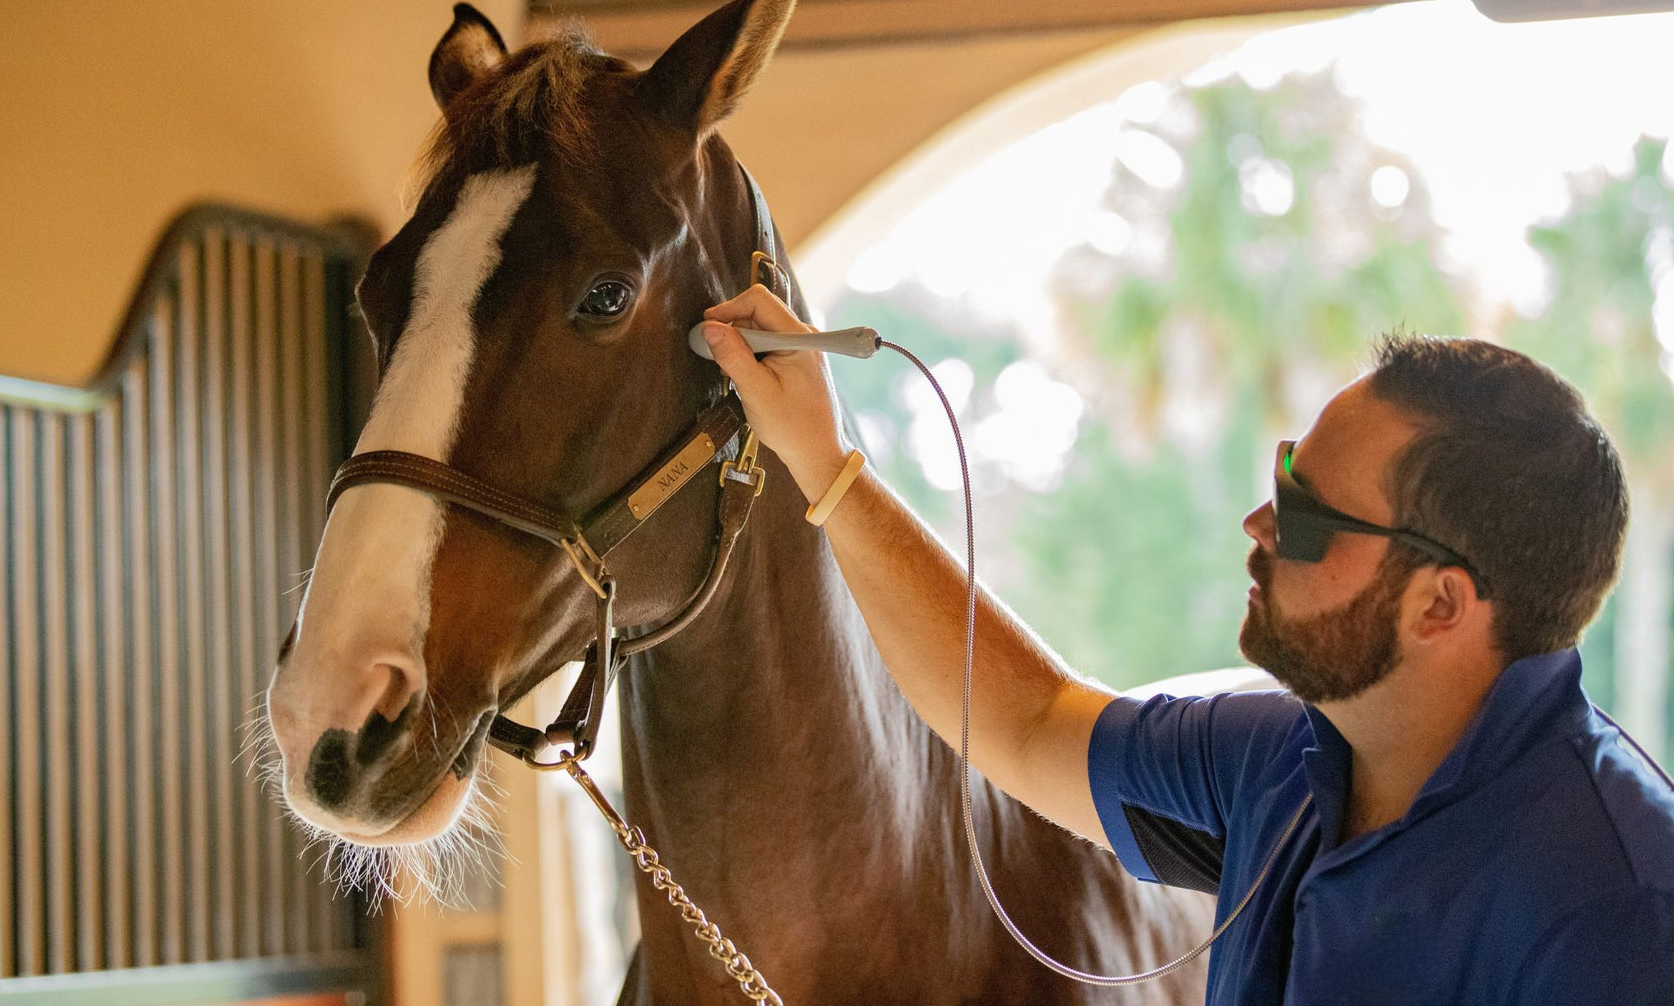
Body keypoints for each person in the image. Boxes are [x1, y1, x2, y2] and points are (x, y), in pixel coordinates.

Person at [699, 288, 1674, 1005]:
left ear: (1439, 605)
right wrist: (822, 462)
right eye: (1285, 473)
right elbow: (1028, 719)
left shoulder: (1615, 904)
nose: (1258, 522)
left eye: (1306, 513)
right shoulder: (1285, 760)